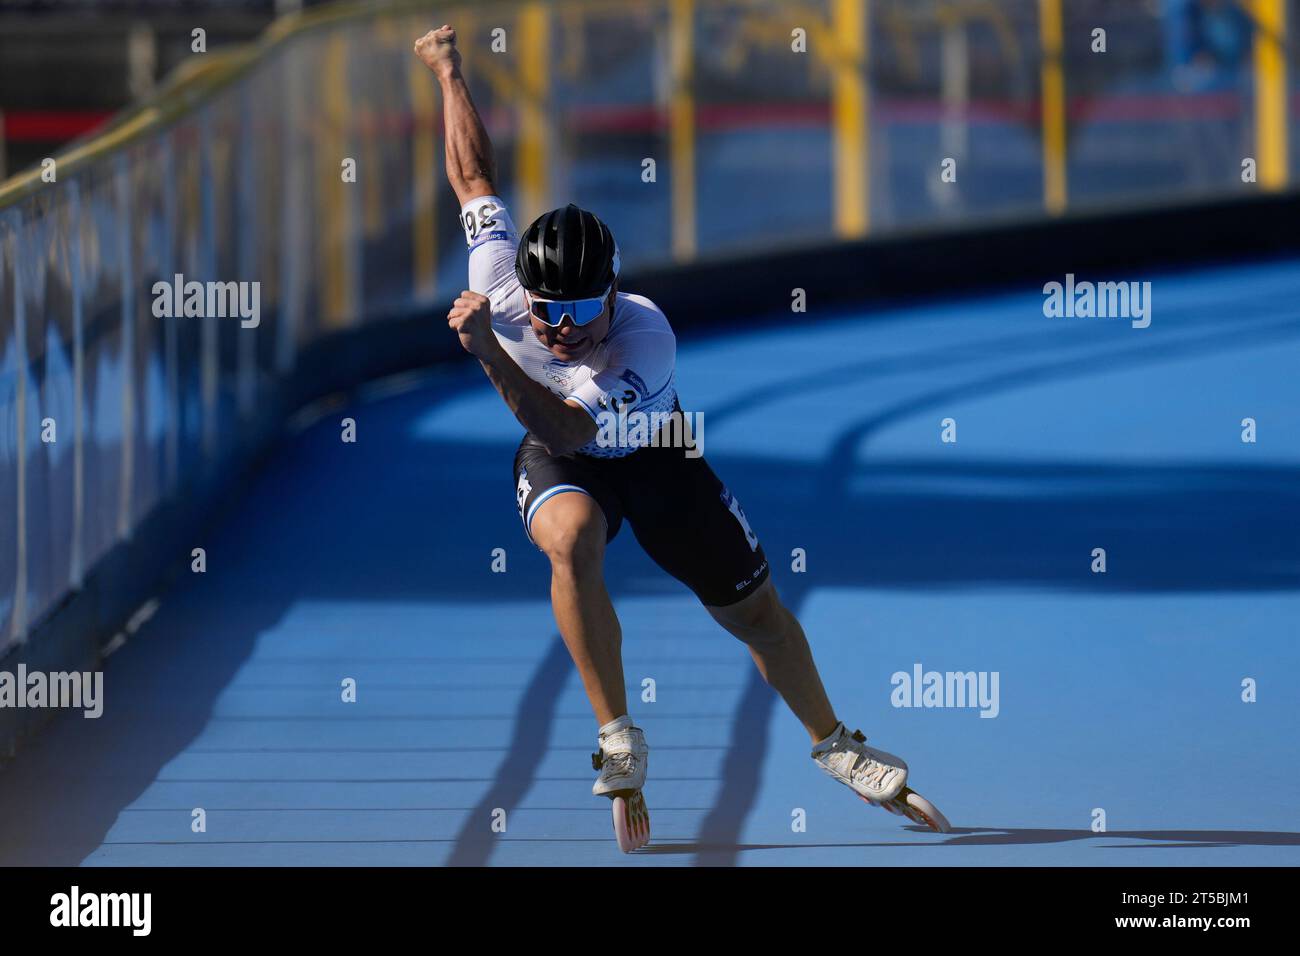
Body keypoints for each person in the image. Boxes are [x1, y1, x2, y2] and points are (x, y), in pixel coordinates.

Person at [413, 24, 912, 842]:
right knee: (570, 537)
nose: (564, 328)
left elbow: (569, 427)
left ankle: (834, 744)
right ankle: (617, 737)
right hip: (563, 452)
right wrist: (448, 70)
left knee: (756, 615)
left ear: (613, 294)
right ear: (525, 295)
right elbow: (472, 177)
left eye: (582, 311)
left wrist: (490, 359)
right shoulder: (499, 283)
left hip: (652, 454)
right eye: (549, 313)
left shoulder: (645, 336)